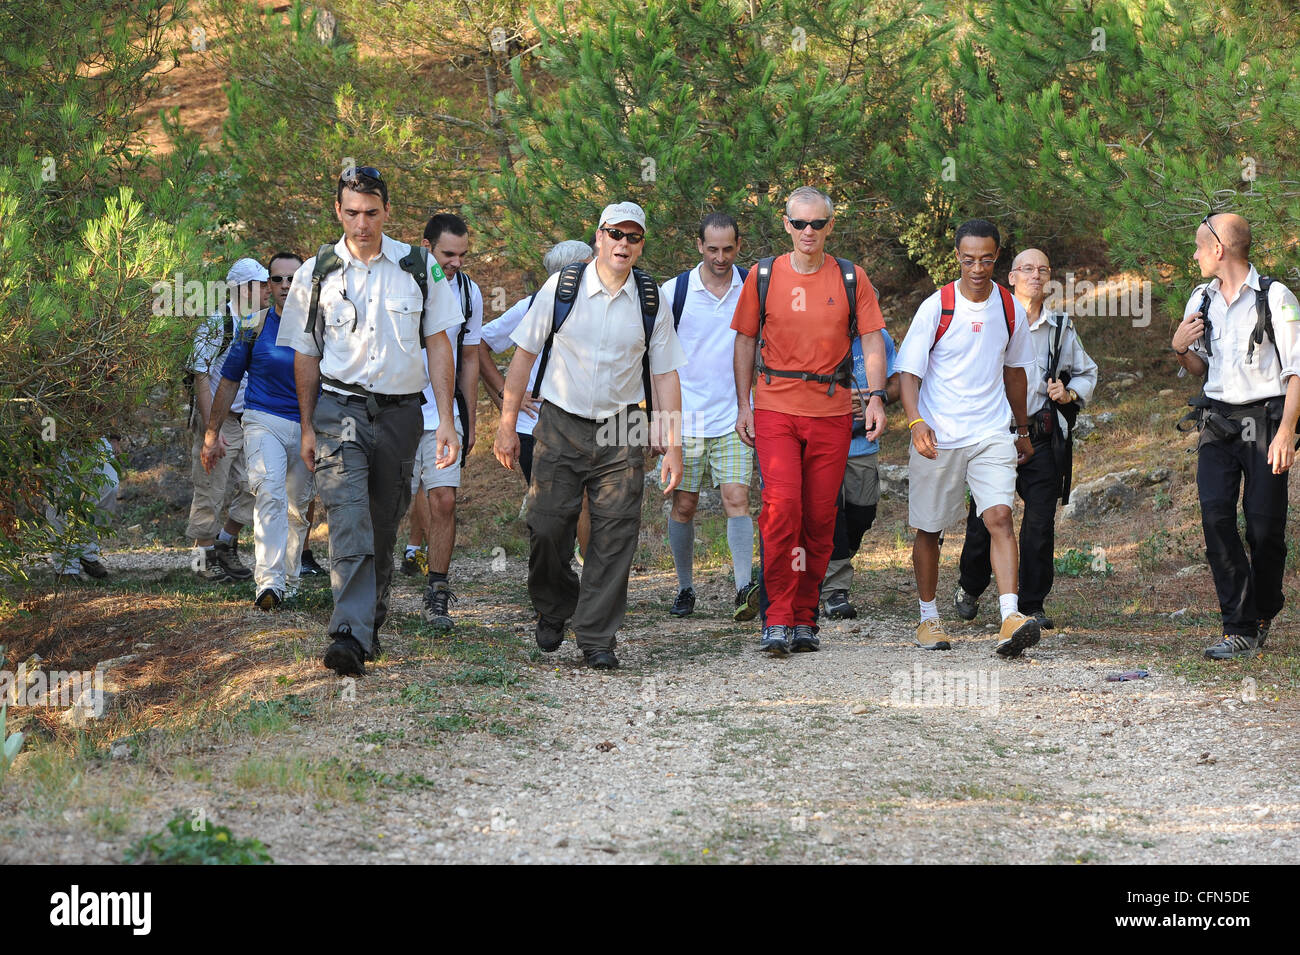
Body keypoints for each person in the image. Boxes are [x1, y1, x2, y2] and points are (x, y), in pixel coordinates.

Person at [278, 165, 462, 677]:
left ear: (387, 211)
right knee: (350, 519)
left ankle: (367, 623)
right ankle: (347, 635)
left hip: (403, 414)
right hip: (341, 410)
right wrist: (309, 426)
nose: (362, 224)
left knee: (383, 526)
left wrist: (445, 420)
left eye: (372, 213)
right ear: (338, 211)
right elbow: (306, 355)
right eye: (352, 213)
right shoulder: (316, 272)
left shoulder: (418, 266)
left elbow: (439, 344)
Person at [493, 201, 685, 669]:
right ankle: (555, 605)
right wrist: (505, 424)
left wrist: (673, 442)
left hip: (625, 423)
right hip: (561, 419)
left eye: (633, 237)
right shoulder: (562, 287)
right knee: (546, 523)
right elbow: (523, 355)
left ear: (641, 245)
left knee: (616, 533)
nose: (623, 244)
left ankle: (597, 635)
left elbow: (665, 376)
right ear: (598, 238)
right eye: (614, 234)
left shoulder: (650, 299)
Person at [732, 186, 888, 655]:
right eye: (799, 223)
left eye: (817, 224)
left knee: (821, 518)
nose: (808, 232)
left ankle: (805, 617)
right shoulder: (763, 275)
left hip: (832, 411)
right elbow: (743, 343)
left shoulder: (850, 278)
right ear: (786, 224)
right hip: (776, 408)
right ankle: (776, 617)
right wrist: (744, 405)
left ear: (829, 227)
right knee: (783, 511)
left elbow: (874, 340)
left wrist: (877, 397)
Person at [895, 219, 1040, 657]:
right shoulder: (936, 306)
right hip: (939, 434)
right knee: (929, 527)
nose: (977, 267)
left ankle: (1010, 616)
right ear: (957, 256)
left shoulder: (1010, 307)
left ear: (997, 258)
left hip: (991, 430)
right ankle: (928, 619)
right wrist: (916, 422)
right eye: (969, 258)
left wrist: (1022, 429)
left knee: (999, 516)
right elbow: (909, 372)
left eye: (987, 259)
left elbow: (1014, 371)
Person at [1171, 212, 1300, 660]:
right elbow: (1199, 369)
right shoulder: (1200, 298)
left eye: (1199, 246)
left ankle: (1263, 611)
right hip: (1217, 423)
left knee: (1265, 530)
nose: (1194, 254)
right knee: (1216, 519)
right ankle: (1238, 627)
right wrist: (1180, 347)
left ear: (1219, 249)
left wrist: (1286, 432)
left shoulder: (1276, 296)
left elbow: (1296, 370)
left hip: (1264, 422)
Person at [955, 249, 1097, 630]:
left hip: (1042, 438)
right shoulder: (992, 318)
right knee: (985, 521)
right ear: (1012, 276)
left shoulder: (1061, 327)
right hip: (994, 437)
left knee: (1039, 525)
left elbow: (1088, 372)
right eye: (1028, 269)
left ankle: (1031, 604)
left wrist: (1068, 394)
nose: (1036, 275)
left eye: (1044, 270)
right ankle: (970, 585)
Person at [202, 251, 313, 611]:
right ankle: (268, 584)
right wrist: (211, 432)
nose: (285, 286)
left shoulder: (321, 324)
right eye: (278, 279)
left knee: (297, 509)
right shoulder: (253, 324)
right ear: (269, 285)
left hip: (309, 425)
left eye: (293, 279)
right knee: (268, 493)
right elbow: (230, 379)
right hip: (263, 420)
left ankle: (291, 581)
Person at [662, 212, 759, 621]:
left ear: (739, 246)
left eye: (729, 249)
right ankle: (685, 588)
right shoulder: (674, 291)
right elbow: (656, 359)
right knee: (684, 505)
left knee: (737, 498)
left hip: (735, 416)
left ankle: (743, 589)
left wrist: (752, 404)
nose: (721, 257)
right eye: (713, 248)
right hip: (685, 421)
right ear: (699, 246)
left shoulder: (753, 287)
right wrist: (660, 422)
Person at [480, 241, 596, 556]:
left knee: (585, 499)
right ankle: (551, 586)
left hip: (584, 423)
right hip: (534, 426)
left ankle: (586, 584)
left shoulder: (599, 309)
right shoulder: (531, 306)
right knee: (549, 509)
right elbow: (479, 344)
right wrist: (506, 393)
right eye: (589, 264)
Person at [396, 213, 482, 631]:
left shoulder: (469, 292)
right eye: (449, 254)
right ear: (426, 246)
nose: (456, 262)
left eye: (463, 255)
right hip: (397, 409)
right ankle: (369, 586)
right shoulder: (400, 282)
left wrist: (469, 415)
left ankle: (438, 592)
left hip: (443, 416)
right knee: (388, 501)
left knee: (444, 499)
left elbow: (469, 356)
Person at [183, 259, 261, 583]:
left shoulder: (259, 322)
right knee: (210, 488)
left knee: (257, 484)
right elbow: (200, 374)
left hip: (249, 417)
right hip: (218, 418)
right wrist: (209, 430)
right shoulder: (217, 323)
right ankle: (202, 559)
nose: (265, 290)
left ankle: (226, 542)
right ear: (241, 288)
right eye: (258, 284)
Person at [819, 329, 900, 619]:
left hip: (861, 443)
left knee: (862, 513)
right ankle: (835, 589)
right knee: (831, 513)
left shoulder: (879, 337)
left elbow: (897, 382)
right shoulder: (815, 329)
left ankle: (823, 564)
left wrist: (875, 399)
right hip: (822, 441)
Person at [46, 437, 120, 580]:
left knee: (109, 487)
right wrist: (46, 445)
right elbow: (42, 417)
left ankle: (88, 552)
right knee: (62, 500)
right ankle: (65, 567)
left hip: (93, 439)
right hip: (58, 440)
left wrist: (114, 438)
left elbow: (108, 413)